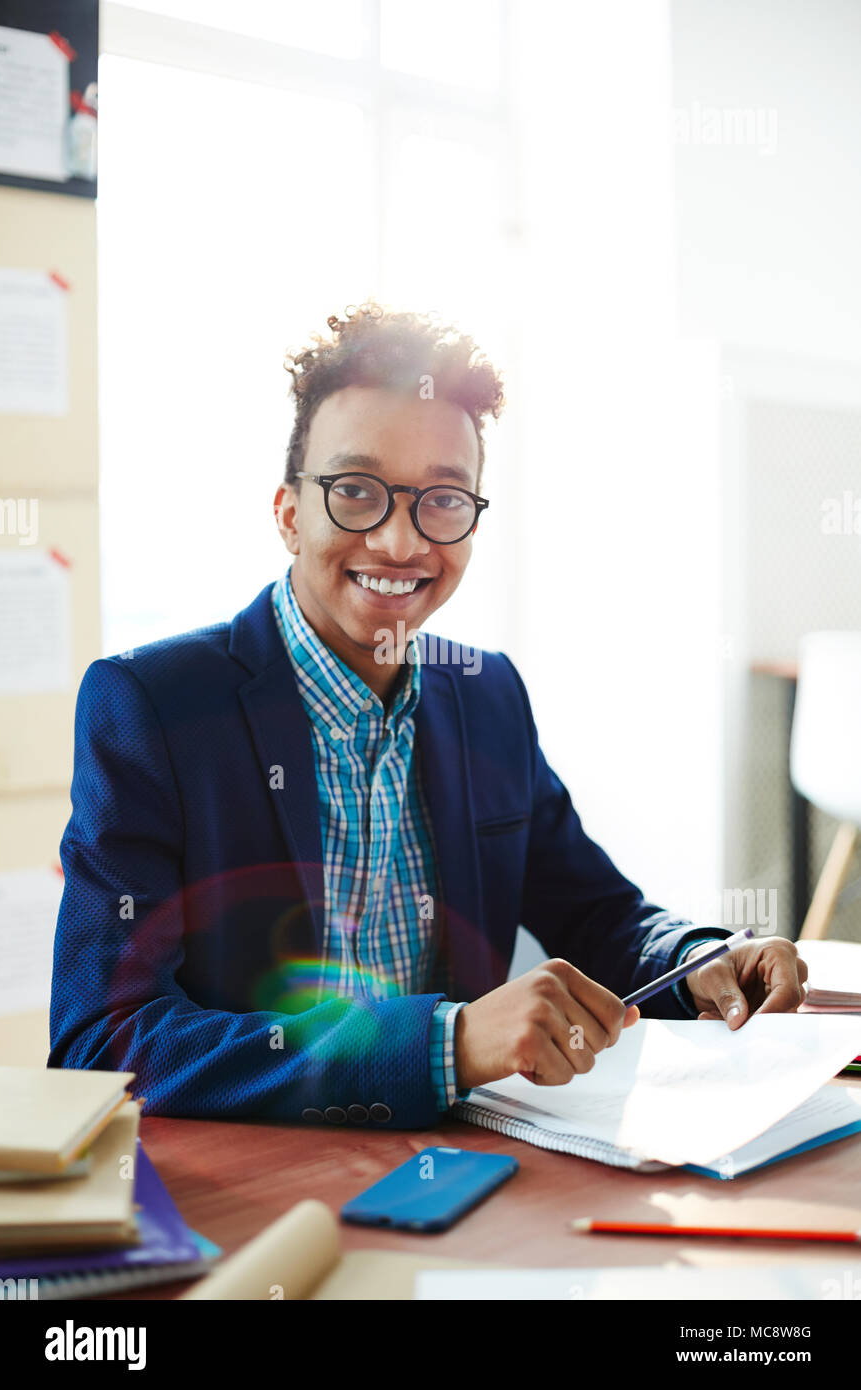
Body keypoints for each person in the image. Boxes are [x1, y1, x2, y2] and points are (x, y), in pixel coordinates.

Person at [49, 303, 807, 1127]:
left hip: (453, 1172)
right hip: (250, 1179)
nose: (403, 543)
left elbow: (595, 911)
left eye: (443, 500)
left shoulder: (485, 694)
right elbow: (103, 1041)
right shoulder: (153, 708)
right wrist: (445, 1044)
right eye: (357, 492)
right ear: (288, 512)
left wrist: (697, 960)